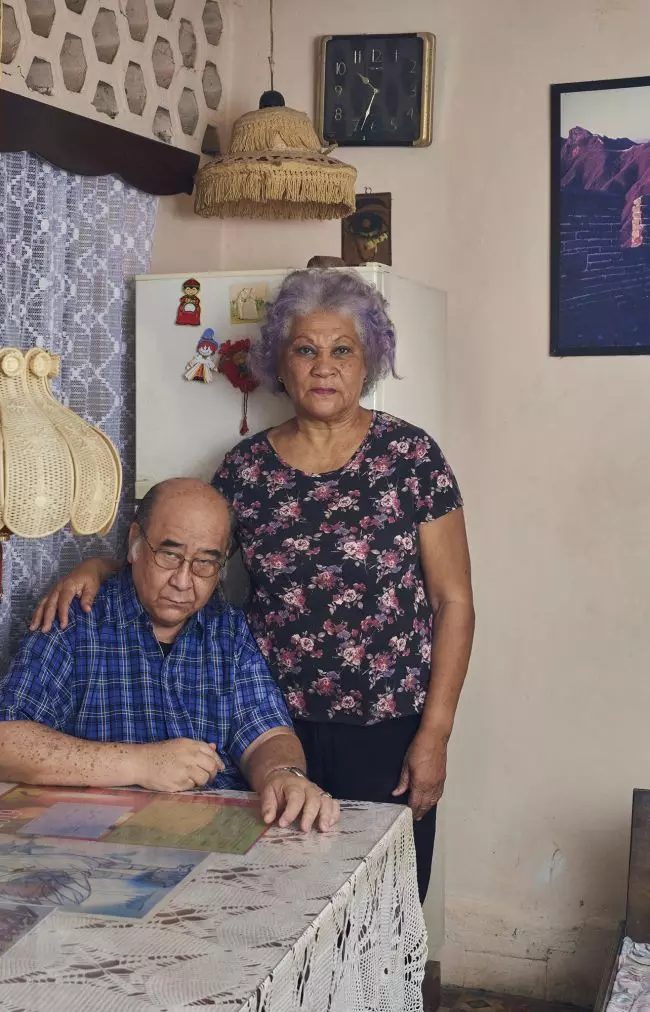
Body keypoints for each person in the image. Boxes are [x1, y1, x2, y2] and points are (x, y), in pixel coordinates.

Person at [31, 270, 475, 898]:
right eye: (306, 349)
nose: (324, 366)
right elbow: (185, 554)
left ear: (368, 359)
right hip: (267, 728)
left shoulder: (410, 457)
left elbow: (453, 601)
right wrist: (98, 567)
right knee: (273, 896)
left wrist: (435, 733)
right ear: (281, 363)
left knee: (387, 895)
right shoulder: (245, 468)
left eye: (341, 349)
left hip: (387, 728)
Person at [0, 478, 339, 835]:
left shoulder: (227, 629)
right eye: (169, 554)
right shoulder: (77, 620)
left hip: (209, 843)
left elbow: (265, 734)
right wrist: (141, 762)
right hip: (99, 846)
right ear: (134, 544)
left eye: (204, 563)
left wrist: (284, 775)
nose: (183, 581)